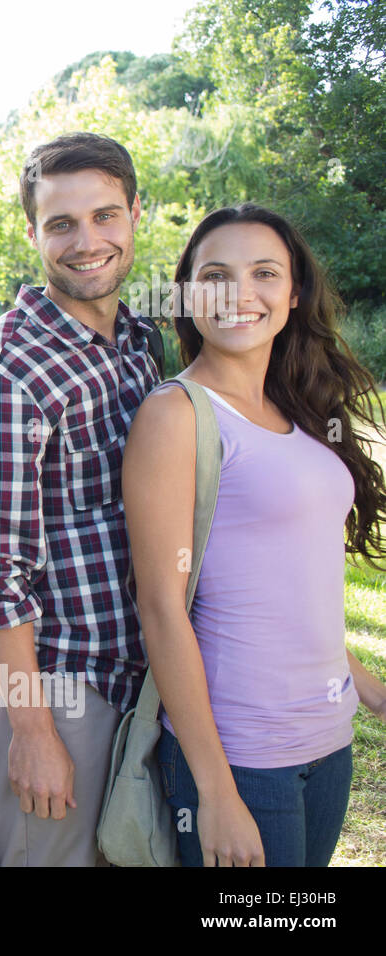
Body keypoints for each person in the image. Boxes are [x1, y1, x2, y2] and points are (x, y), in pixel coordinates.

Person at [124, 204, 386, 867]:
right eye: (216, 275)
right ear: (187, 296)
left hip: (327, 738)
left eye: (264, 273)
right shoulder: (175, 414)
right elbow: (161, 607)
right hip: (241, 754)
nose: (239, 294)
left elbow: (290, 588)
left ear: (293, 293)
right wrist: (213, 791)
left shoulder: (298, 409)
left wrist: (364, 683)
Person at [0, 132, 160, 866]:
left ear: (135, 214)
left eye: (105, 216)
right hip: (66, 696)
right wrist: (33, 733)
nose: (87, 241)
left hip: (151, 686)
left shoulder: (141, 342)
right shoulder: (3, 366)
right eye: (62, 224)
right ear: (33, 232)